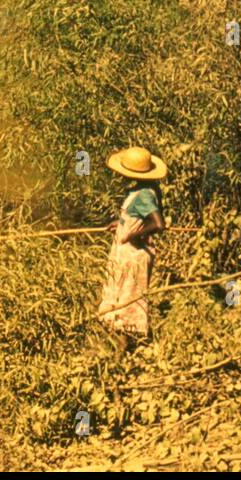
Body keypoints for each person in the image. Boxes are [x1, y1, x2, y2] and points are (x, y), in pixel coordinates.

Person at [97, 146, 167, 347]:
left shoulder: (145, 194)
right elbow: (138, 216)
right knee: (120, 294)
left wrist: (134, 235)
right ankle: (121, 346)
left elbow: (158, 224)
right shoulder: (147, 189)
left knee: (127, 299)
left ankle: (124, 349)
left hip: (133, 254)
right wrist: (119, 223)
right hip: (127, 252)